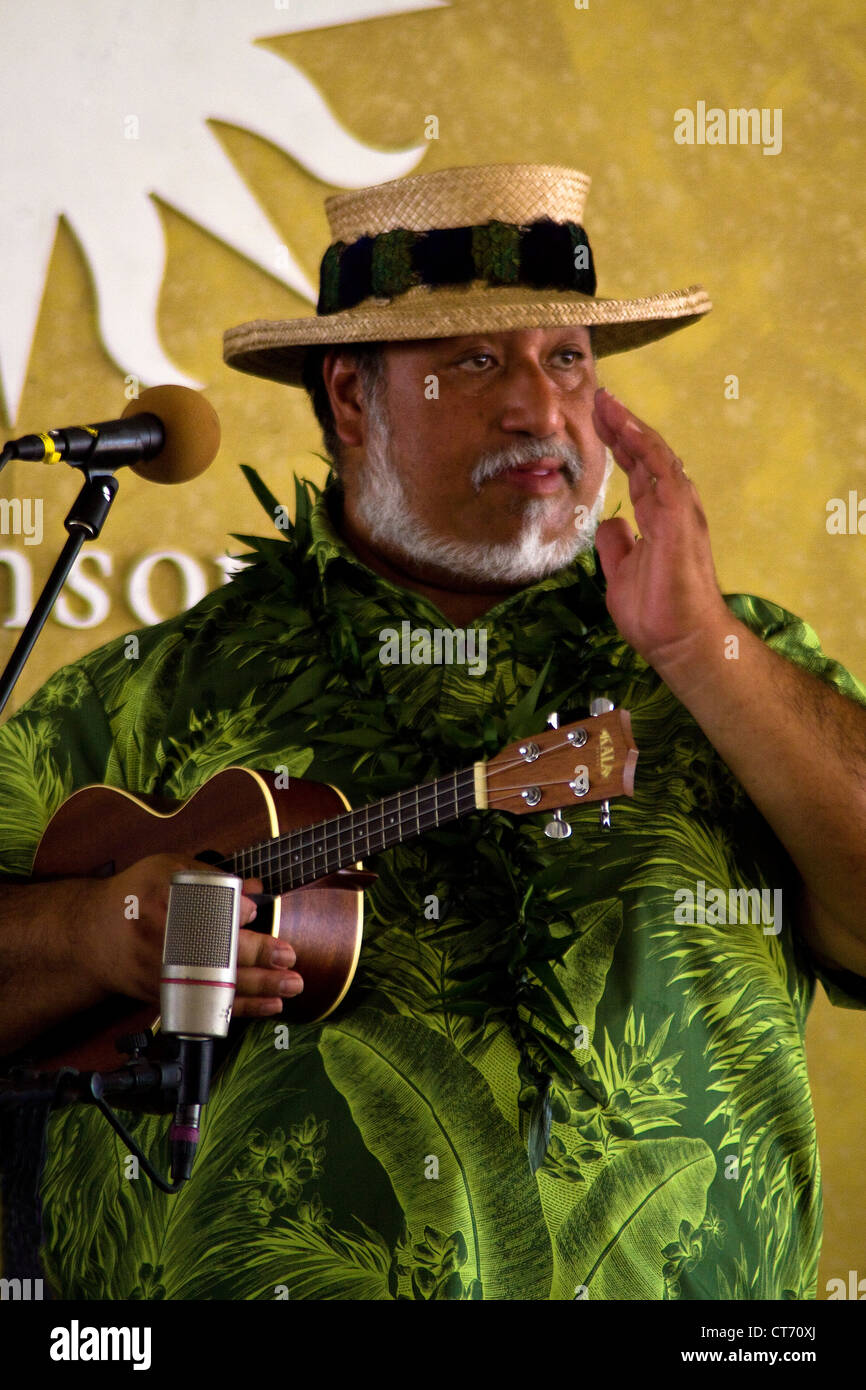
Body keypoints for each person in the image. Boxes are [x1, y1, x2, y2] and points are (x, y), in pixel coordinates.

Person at [1, 162, 865, 1301]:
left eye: (565, 358)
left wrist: (698, 646)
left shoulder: (735, 660)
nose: (538, 407)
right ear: (351, 396)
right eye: (473, 361)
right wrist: (90, 927)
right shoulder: (141, 697)